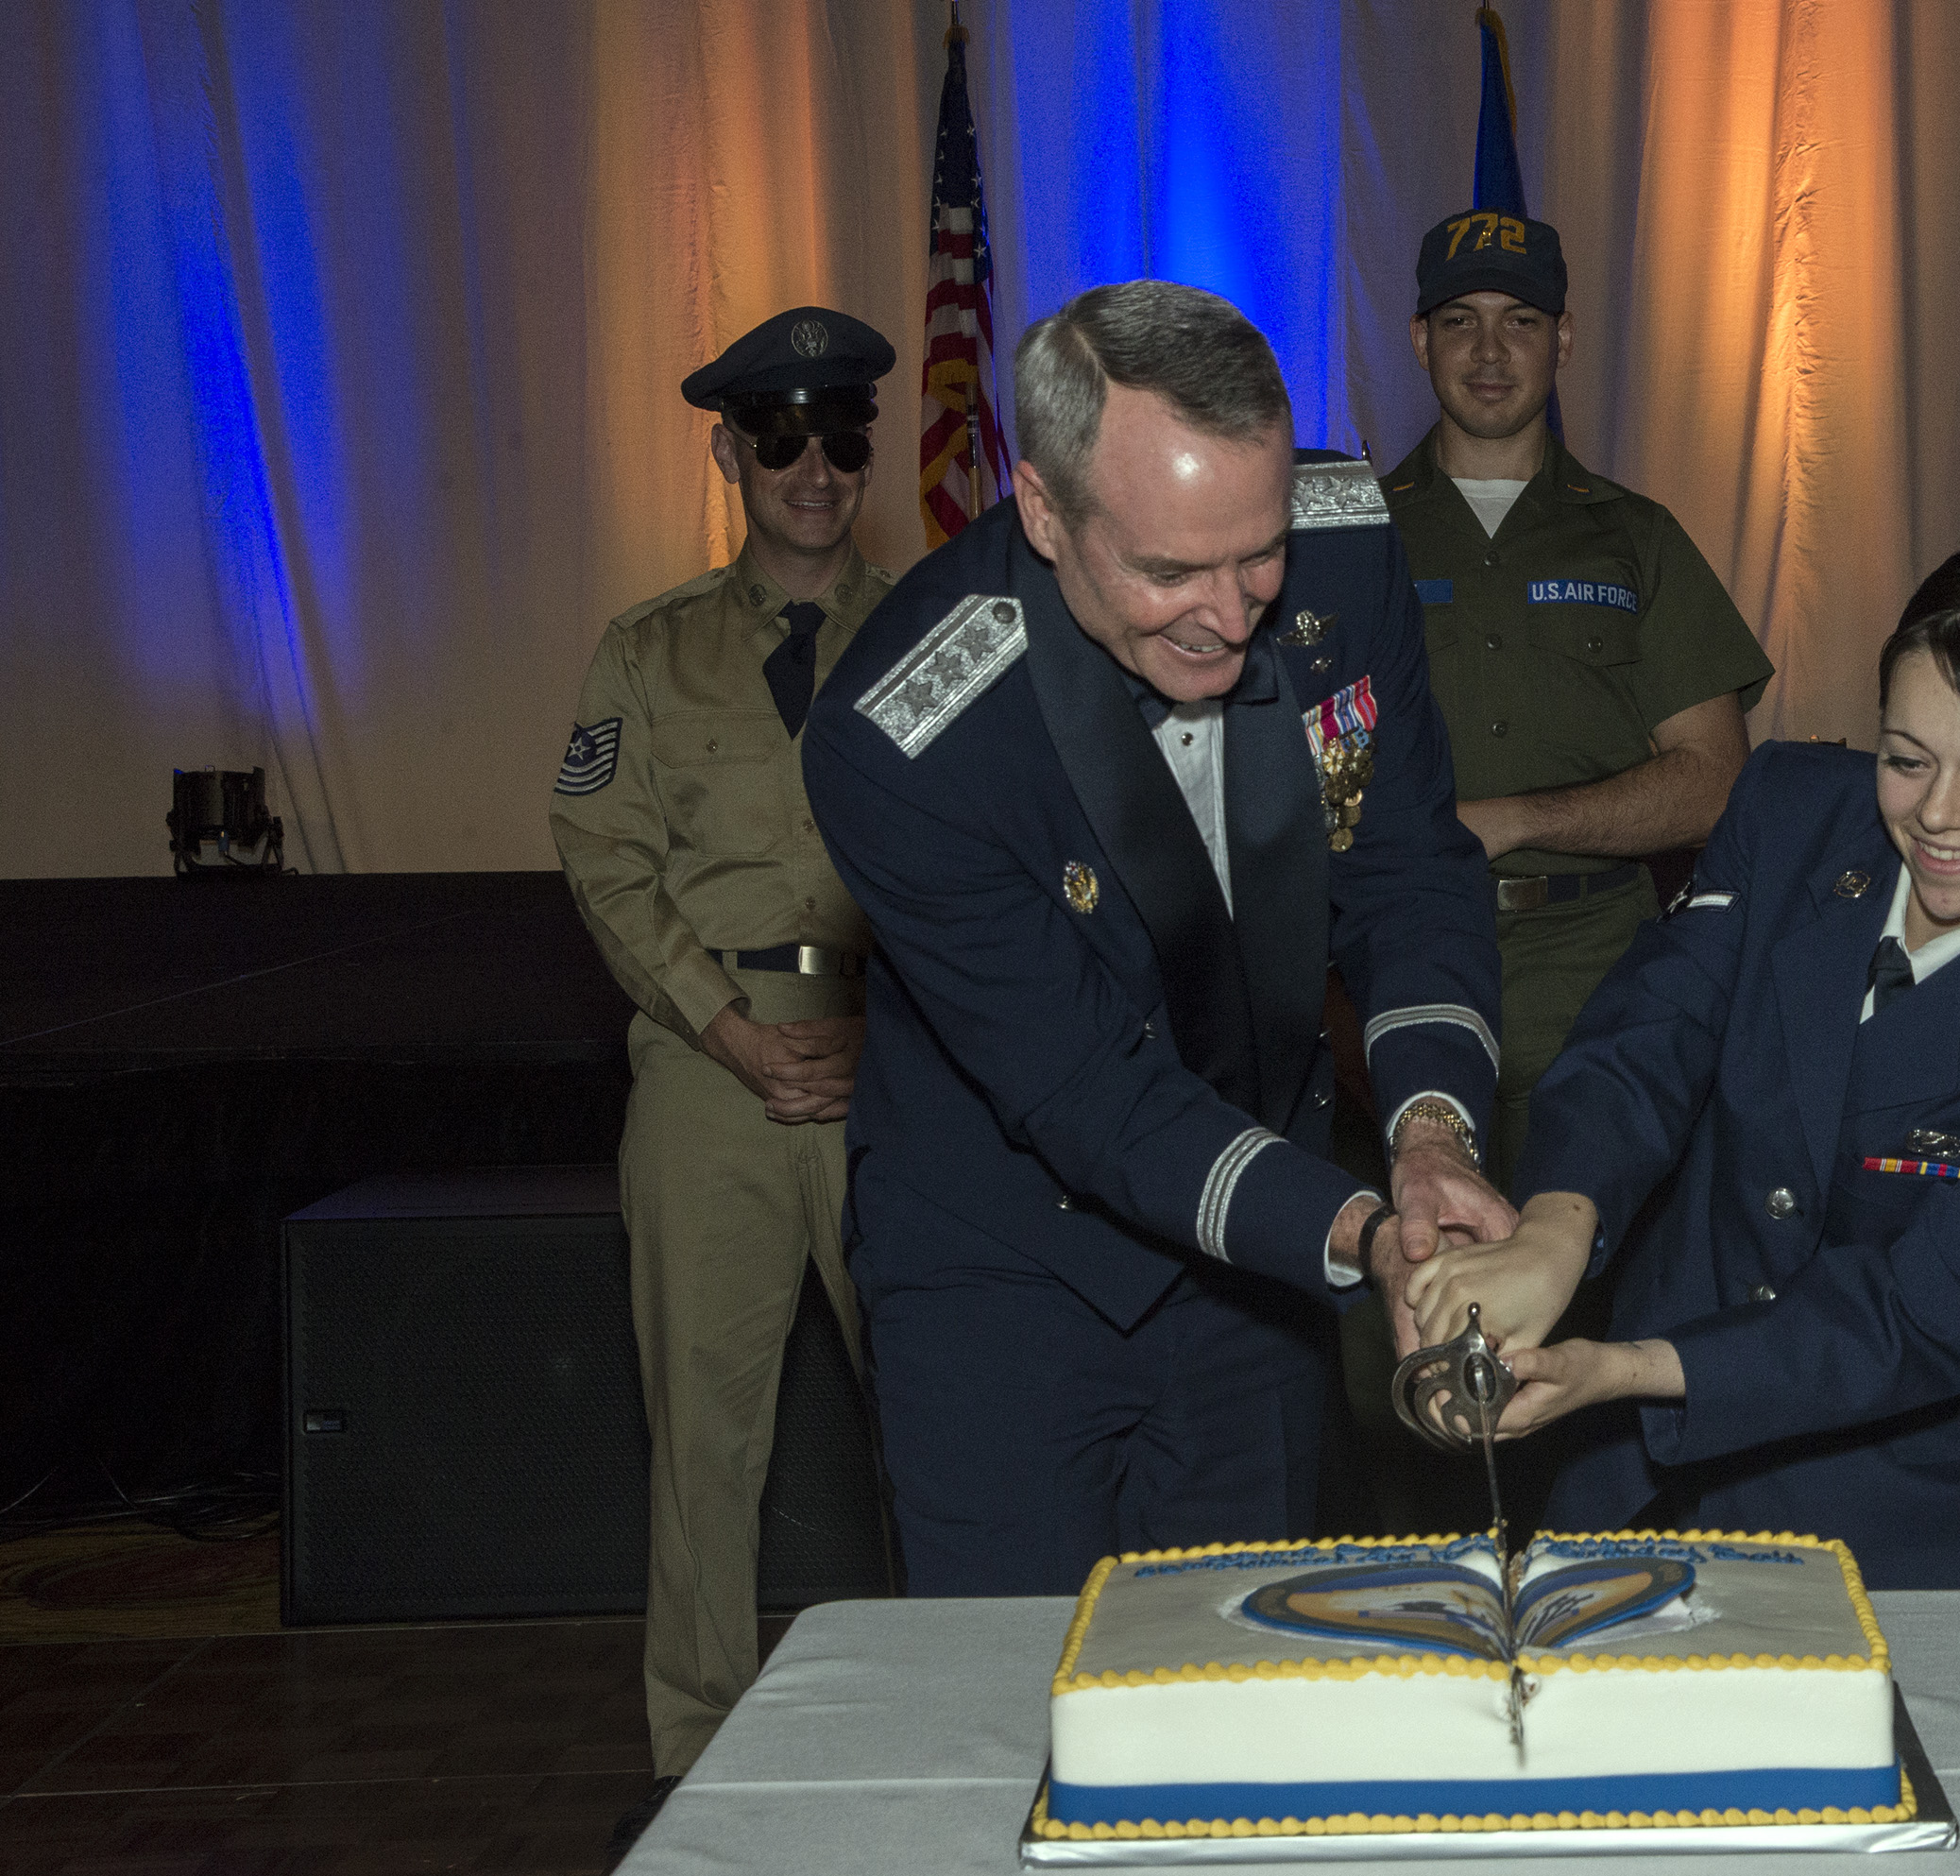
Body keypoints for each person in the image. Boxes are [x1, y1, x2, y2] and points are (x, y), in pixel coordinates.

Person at [802, 281, 1513, 1596]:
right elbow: (1088, 1089)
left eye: (1257, 556)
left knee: (1249, 1653)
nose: (1231, 616)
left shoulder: (1347, 547)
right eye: (1170, 571)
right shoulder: (901, 738)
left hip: (1257, 1244)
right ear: (1043, 513)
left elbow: (1411, 872)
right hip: (1006, 1266)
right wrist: (1365, 1232)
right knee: (1024, 1678)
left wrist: (1430, 1137)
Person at [1406, 545, 1960, 1588]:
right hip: (1660, 1463)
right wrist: (1559, 1226)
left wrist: (1625, 1369)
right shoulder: (1791, 811)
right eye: (1906, 759)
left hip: (1934, 1501)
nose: (1938, 815)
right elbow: (1655, 1031)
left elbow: (1913, 1319)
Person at [547, 307, 895, 1808]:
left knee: (942, 1421)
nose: (815, 468)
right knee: (703, 1440)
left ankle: (952, 1724)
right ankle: (703, 1762)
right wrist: (733, 1029)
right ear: (729, 452)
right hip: (711, 1069)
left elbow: (1006, 856)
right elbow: (605, 858)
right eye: (782, 437)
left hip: (900, 1070)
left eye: (843, 437)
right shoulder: (649, 651)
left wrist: (892, 1026)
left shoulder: (944, 639)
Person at [1381, 209, 1769, 1185]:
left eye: (1520, 321)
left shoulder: (1637, 538)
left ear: (1562, 340)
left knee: (1591, 1257)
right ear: (1420, 340)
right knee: (1416, 1259)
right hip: (1400, 962)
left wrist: (1512, 821)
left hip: (1597, 970)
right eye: (1460, 321)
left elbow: (1716, 783)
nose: (1489, 352)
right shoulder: (1354, 540)